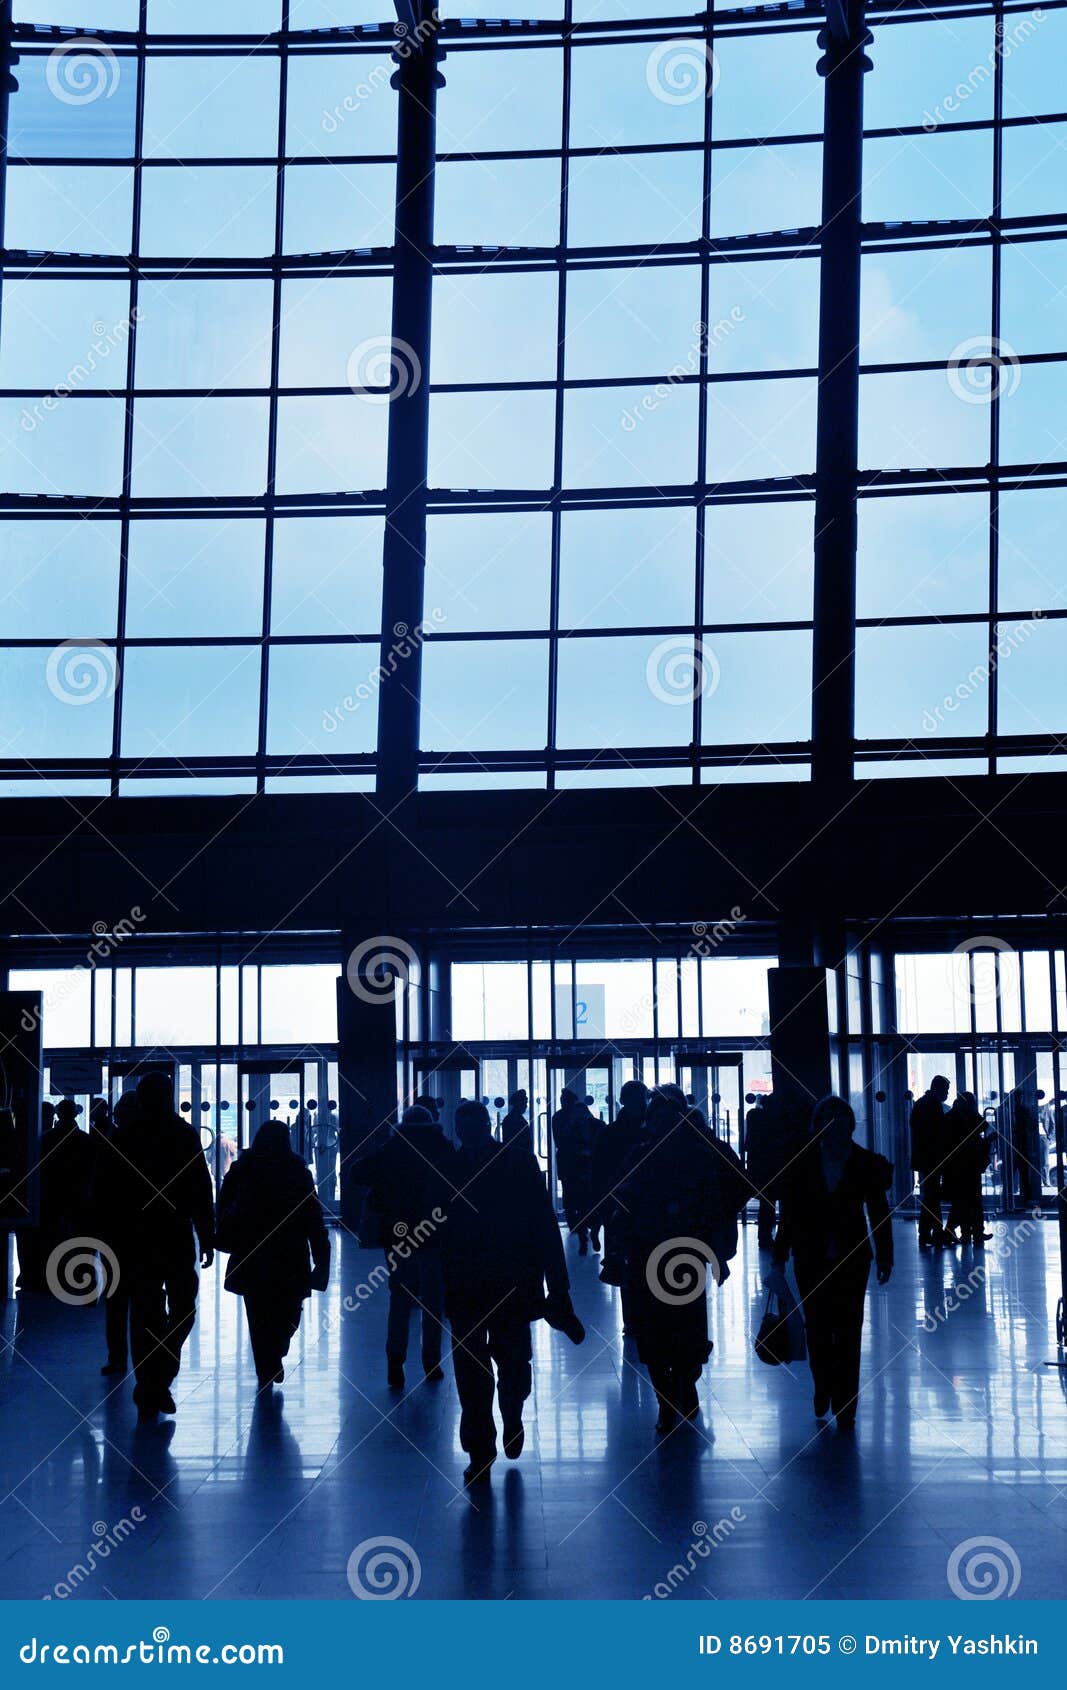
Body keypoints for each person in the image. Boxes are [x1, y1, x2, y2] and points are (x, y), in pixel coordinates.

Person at [441, 1100, 580, 1484]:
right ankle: (494, 1432)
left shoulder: (452, 1169)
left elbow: (437, 1230)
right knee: (503, 1361)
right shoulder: (517, 1162)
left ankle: (489, 1438)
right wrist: (557, 1284)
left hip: (473, 1283)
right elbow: (544, 1225)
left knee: (477, 1369)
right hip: (509, 1281)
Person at [616, 1085, 746, 1433]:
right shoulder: (690, 1154)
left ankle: (672, 1398)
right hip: (681, 1252)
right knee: (679, 1326)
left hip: (659, 1251)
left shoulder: (657, 1153)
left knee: (663, 1330)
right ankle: (678, 1392)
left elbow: (623, 1203)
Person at [770, 1095, 893, 1431]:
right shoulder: (804, 1164)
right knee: (819, 1328)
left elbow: (879, 1213)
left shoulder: (864, 1163)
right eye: (829, 1121)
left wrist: (885, 1255)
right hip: (812, 1258)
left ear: (849, 1126)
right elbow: (790, 1216)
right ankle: (825, 1384)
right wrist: (779, 1257)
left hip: (851, 1258)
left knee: (849, 1329)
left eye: (840, 1121)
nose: (835, 1127)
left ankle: (846, 1401)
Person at [111, 1073, 215, 1420]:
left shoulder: (124, 1137)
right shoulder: (184, 1136)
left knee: (144, 1313)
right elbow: (201, 1188)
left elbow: (106, 1194)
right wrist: (207, 1233)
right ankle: (161, 1376)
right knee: (183, 1308)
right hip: (176, 1234)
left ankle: (148, 1381)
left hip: (136, 1237)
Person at [216, 1119, 330, 1390]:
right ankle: (276, 1352)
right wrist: (321, 1256)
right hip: (290, 1252)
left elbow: (223, 1207)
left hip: (251, 1251)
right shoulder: (297, 1172)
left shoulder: (242, 1170)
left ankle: (265, 1365)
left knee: (257, 1314)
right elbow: (313, 1217)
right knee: (289, 1310)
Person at [352, 1104, 456, 1389]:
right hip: (434, 1232)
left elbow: (357, 1172)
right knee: (433, 1300)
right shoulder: (442, 1148)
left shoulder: (392, 1148)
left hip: (397, 1235)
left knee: (400, 1297)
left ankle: (395, 1361)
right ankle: (431, 1362)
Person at [90, 1090, 139, 1377]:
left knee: (116, 1299)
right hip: (145, 1235)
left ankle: (118, 1357)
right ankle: (146, 1358)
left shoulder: (111, 1145)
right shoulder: (155, 1145)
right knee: (147, 1300)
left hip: (116, 1234)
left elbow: (98, 1191)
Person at [592, 1079, 647, 1326]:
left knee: (623, 1259)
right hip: (646, 1207)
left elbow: (599, 1174)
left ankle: (632, 1319)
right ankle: (646, 1316)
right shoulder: (651, 1133)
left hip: (617, 1207)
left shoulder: (608, 1134)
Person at [943, 1091, 992, 1247]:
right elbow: (984, 1127)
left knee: (962, 1201)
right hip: (969, 1165)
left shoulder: (952, 1116)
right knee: (972, 1200)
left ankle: (967, 1232)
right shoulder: (966, 1116)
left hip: (959, 1166)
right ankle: (974, 1232)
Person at [555, 1092, 602, 1254]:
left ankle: (593, 1233)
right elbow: (564, 1147)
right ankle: (584, 1238)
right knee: (582, 1205)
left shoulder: (597, 1126)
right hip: (579, 1172)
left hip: (591, 1172)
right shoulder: (572, 1129)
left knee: (590, 1205)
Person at [910, 1075, 951, 1246]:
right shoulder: (932, 1106)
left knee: (930, 1196)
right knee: (932, 1196)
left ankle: (928, 1233)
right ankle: (933, 1232)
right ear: (938, 1089)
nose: (947, 1094)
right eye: (946, 1090)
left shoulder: (922, 1103)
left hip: (925, 1158)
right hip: (931, 1158)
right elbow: (937, 1134)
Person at [501, 1090, 533, 1155]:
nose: (526, 1106)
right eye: (525, 1103)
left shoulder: (508, 1119)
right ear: (519, 1104)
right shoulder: (519, 1121)